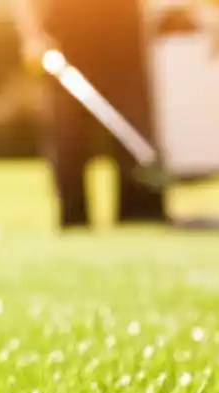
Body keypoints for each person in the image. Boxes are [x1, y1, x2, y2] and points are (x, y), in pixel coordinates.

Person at [15, 0, 169, 230]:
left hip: (126, 35)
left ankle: (141, 214)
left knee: (134, 122)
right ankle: (75, 219)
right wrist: (33, 35)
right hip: (66, 34)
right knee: (68, 134)